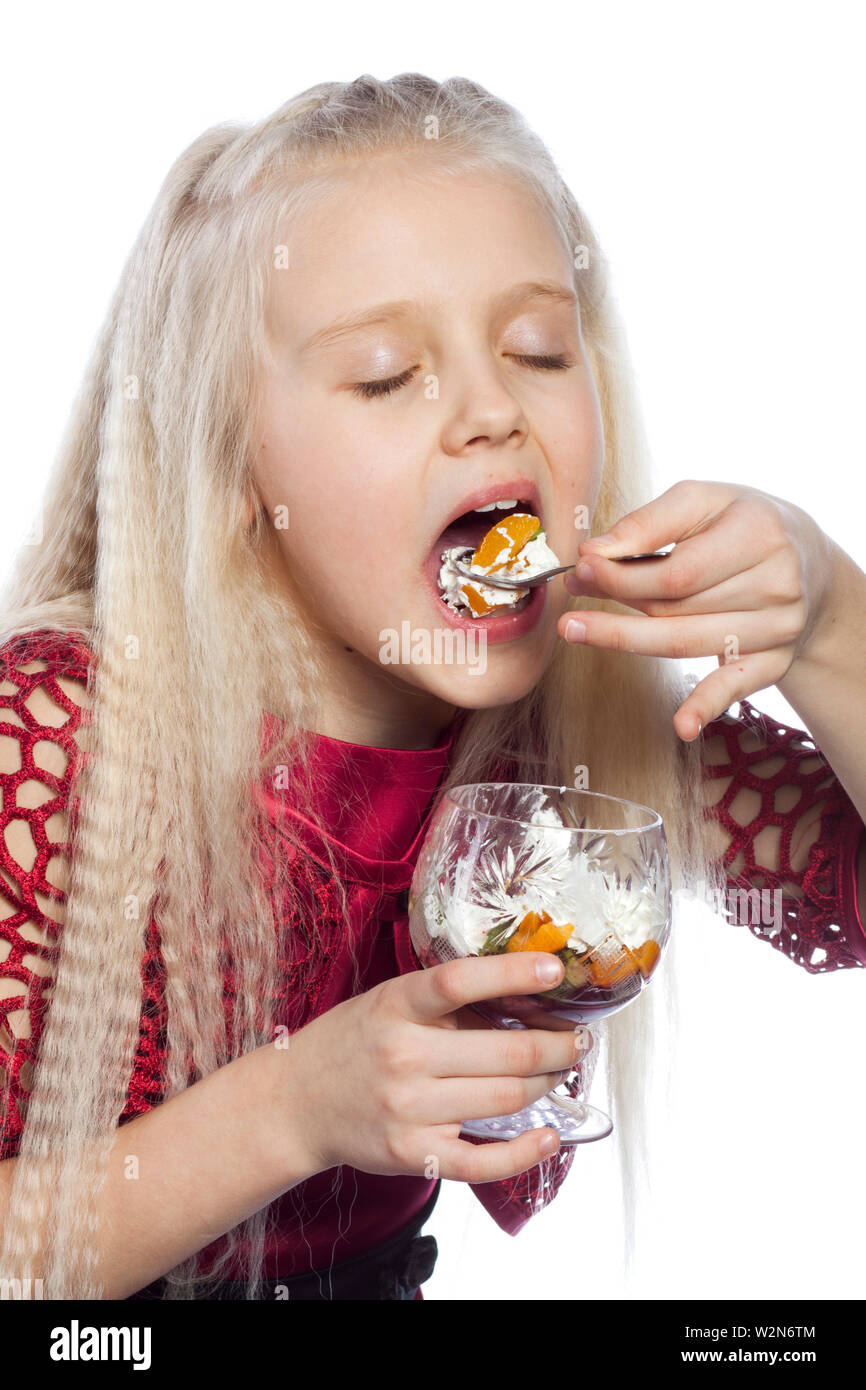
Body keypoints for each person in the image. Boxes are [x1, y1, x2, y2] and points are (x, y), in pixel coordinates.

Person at [1, 73, 864, 1301]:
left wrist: (831, 612)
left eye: (536, 351)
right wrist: (298, 1107)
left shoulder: (571, 732)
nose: (490, 414)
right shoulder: (53, 739)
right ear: (233, 464)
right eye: (383, 374)